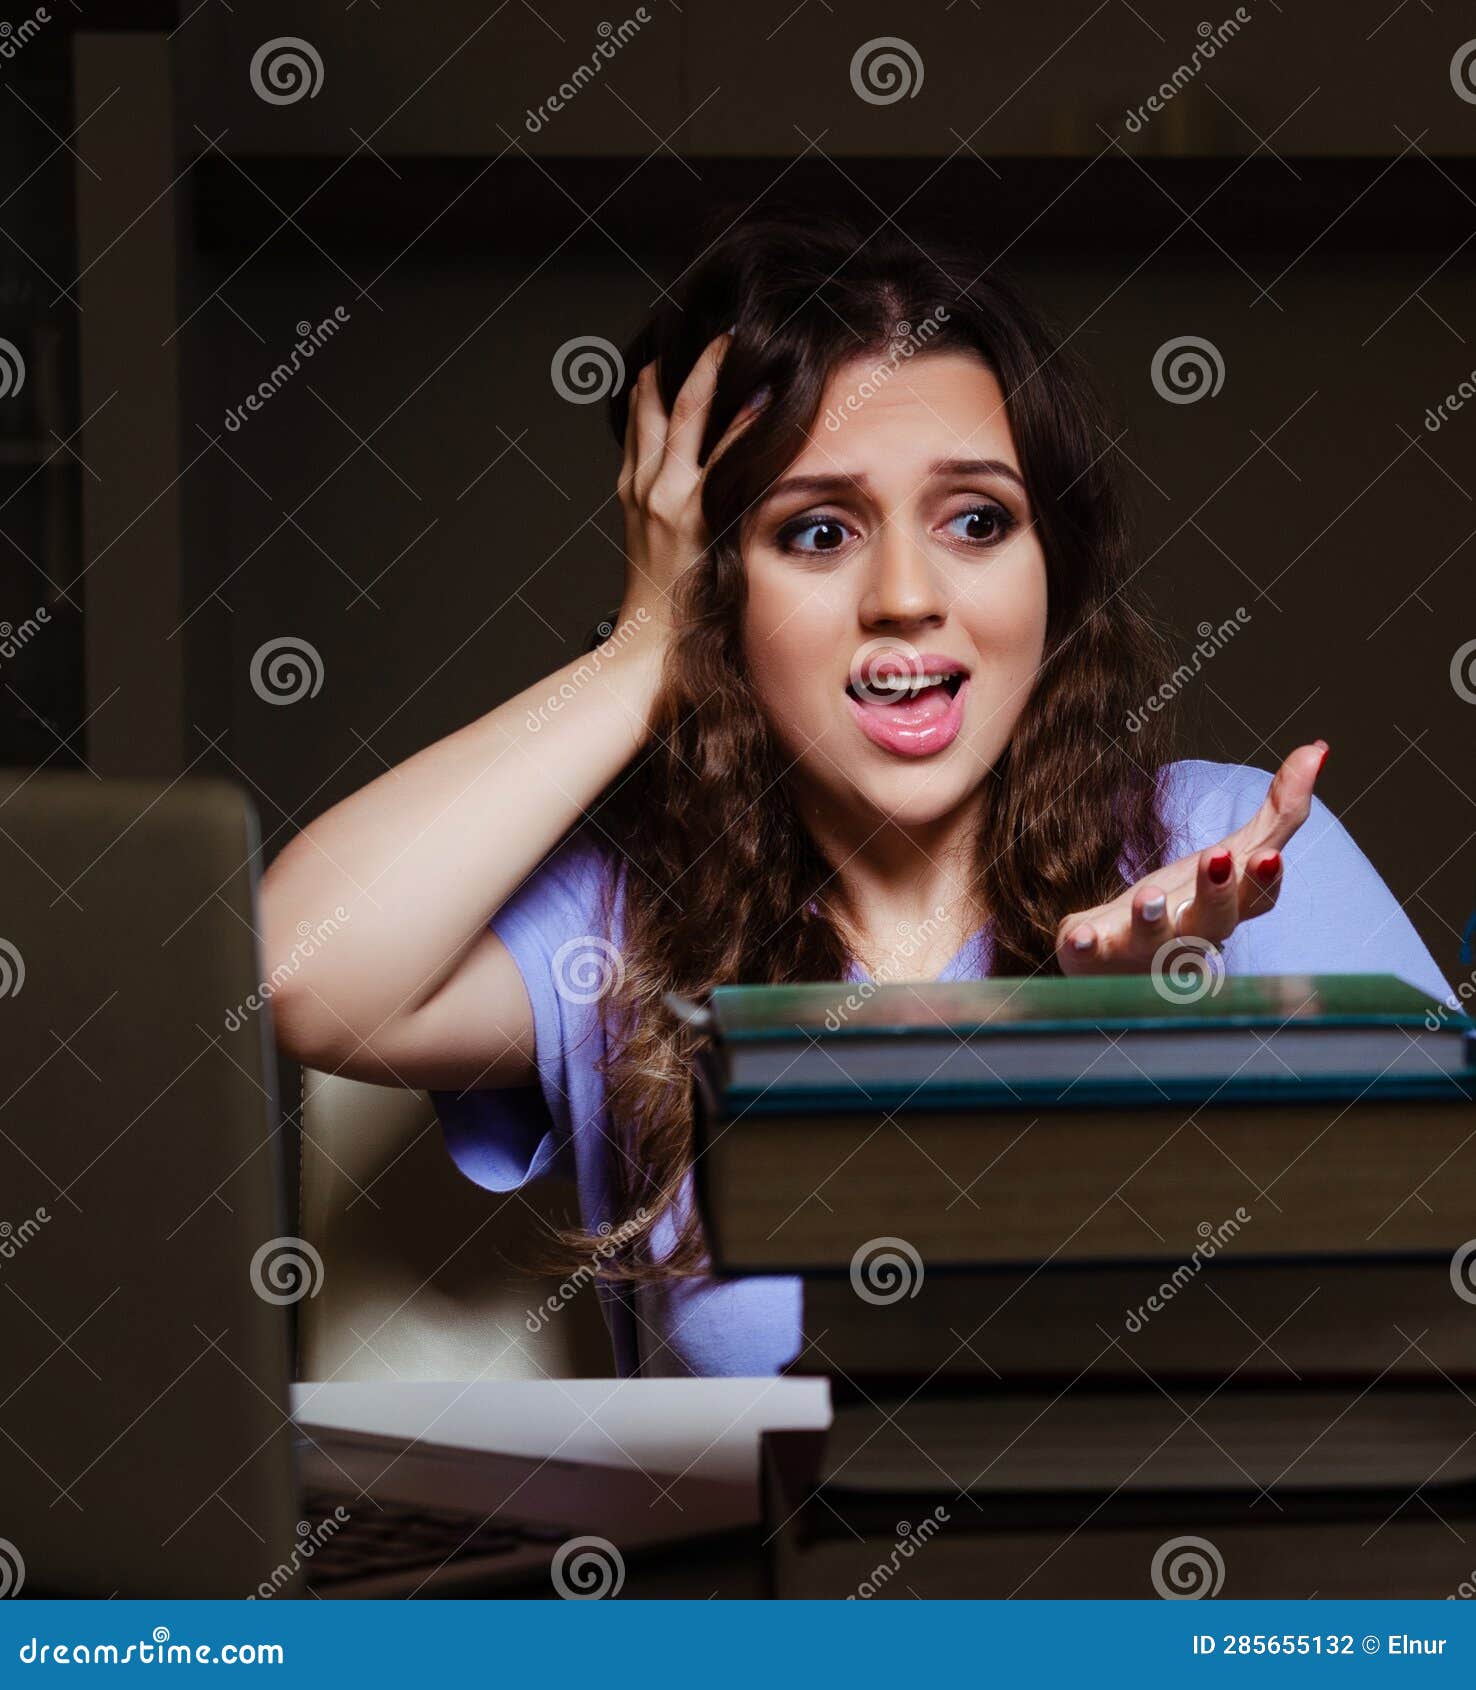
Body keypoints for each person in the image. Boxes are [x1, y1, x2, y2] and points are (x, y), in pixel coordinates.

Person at [260, 212, 1453, 1378]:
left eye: (977, 520)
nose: (904, 594)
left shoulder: (1220, 855)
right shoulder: (622, 923)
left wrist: (1137, 1075)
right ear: (718, 586)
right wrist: (640, 649)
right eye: (819, 531)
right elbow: (301, 971)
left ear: (1055, 569)